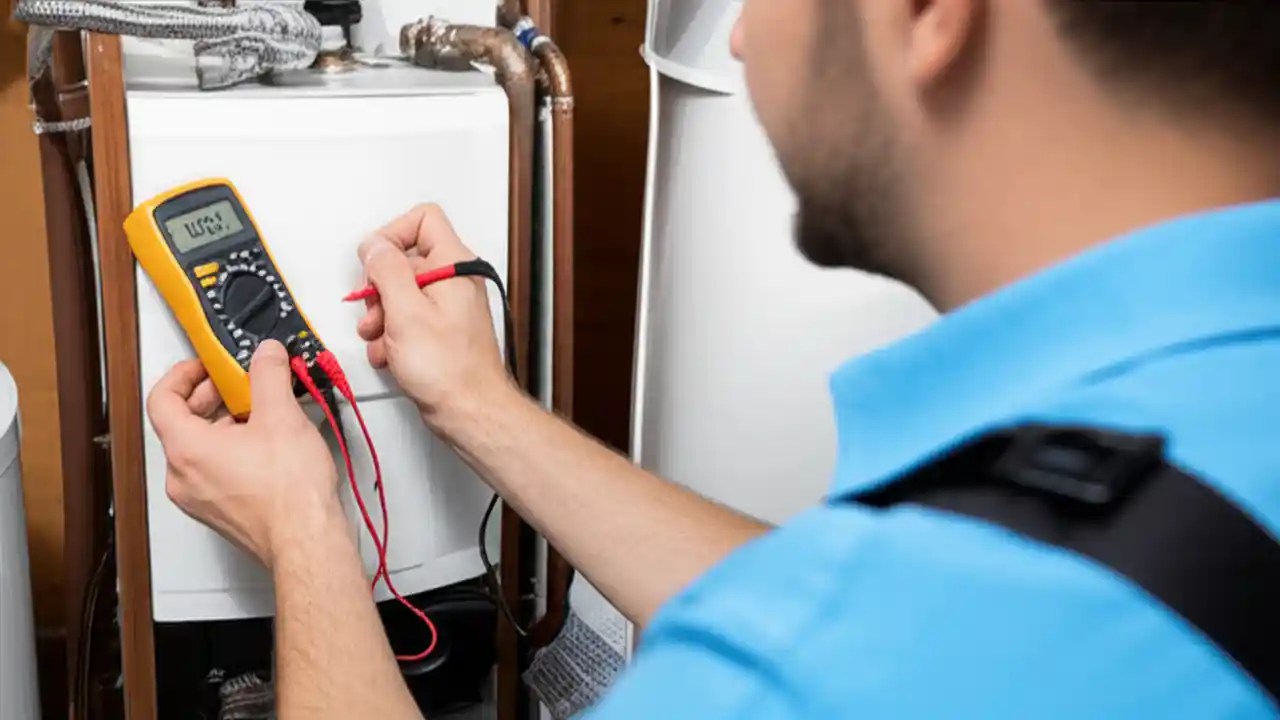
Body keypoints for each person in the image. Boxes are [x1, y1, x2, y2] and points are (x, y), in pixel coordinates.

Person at [146, 1, 1280, 717]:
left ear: (931, 13)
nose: (735, 36)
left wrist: (302, 527)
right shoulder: (1191, 414)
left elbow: (858, 642)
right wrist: (477, 406)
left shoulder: (834, 667)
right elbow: (857, 605)